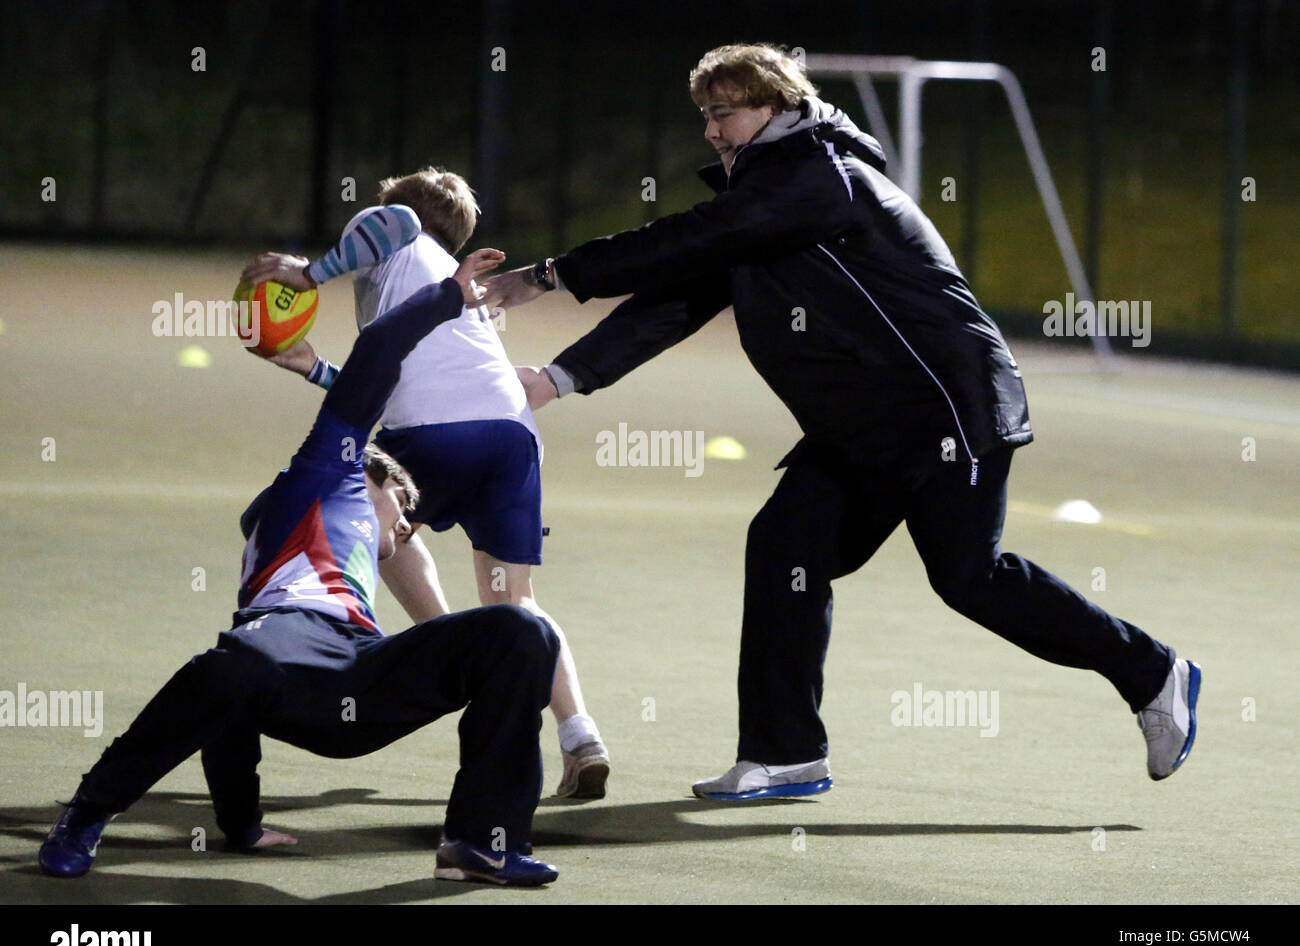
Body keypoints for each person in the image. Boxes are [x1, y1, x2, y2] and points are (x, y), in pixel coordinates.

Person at [484, 43, 1200, 800]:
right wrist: (556, 379)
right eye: (705, 116)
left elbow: (689, 240)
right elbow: (679, 291)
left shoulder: (820, 178)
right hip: (862, 427)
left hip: (946, 406)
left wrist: (548, 275)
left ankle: (1154, 673)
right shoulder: (760, 196)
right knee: (787, 545)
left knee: (969, 578)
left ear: (776, 106)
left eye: (723, 113)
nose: (712, 132)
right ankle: (787, 753)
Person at [38, 249, 565, 886]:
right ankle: (86, 813)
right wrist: (447, 297)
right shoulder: (329, 471)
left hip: (363, 673)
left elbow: (228, 710)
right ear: (360, 471)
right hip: (293, 655)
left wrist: (240, 825)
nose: (405, 525)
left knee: (522, 632)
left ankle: (480, 842)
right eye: (401, 502)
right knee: (233, 664)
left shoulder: (299, 534)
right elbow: (375, 358)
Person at [239, 168, 610, 799]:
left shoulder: (397, 233)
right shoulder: (445, 293)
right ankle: (581, 735)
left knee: (371, 525)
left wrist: (308, 274)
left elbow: (394, 222)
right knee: (513, 599)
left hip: (437, 432)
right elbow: (392, 380)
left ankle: (449, 654)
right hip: (510, 438)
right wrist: (313, 368)